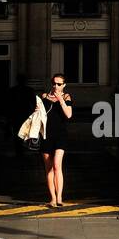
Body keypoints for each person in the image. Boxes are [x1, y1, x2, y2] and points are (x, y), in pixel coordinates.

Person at [40, 74, 72, 209]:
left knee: (57, 165)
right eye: (54, 83)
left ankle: (59, 197)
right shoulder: (44, 97)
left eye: (59, 84)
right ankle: (52, 198)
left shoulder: (66, 97)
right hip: (46, 135)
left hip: (60, 135)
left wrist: (60, 100)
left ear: (64, 85)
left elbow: (69, 115)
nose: (56, 86)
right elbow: (39, 115)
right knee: (49, 168)